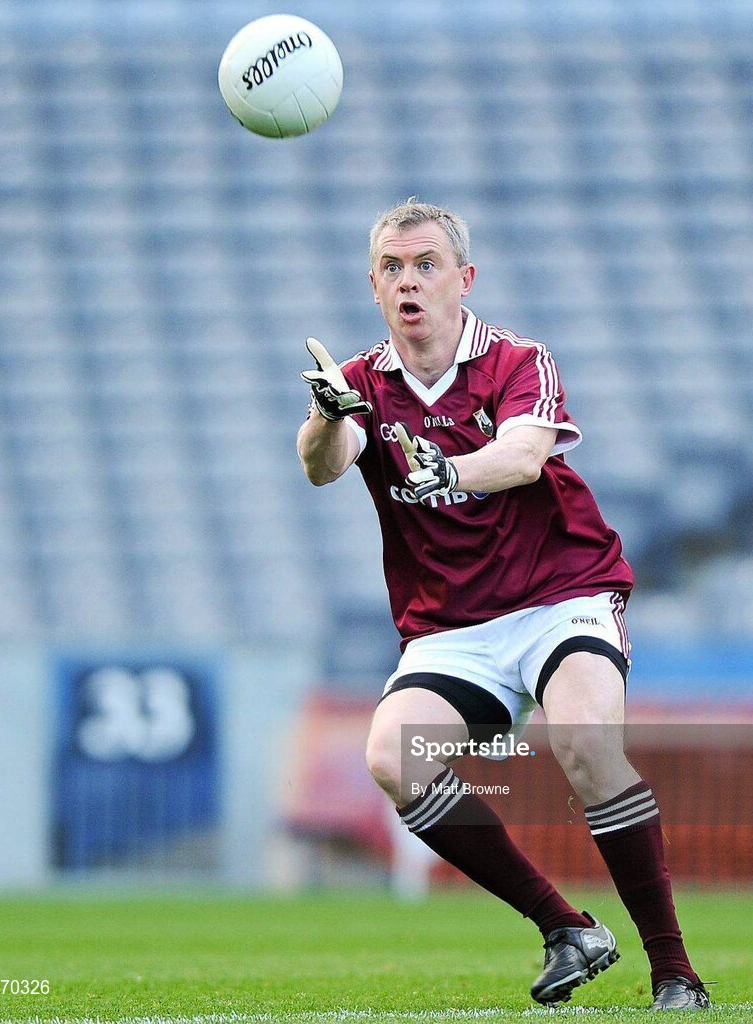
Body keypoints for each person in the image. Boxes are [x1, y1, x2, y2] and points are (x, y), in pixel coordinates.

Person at [296, 199, 709, 1012]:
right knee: (393, 757)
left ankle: (675, 971)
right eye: (391, 267)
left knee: (587, 741)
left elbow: (523, 456)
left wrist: (449, 470)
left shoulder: (518, 359)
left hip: (561, 592)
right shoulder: (358, 382)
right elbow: (324, 462)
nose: (408, 281)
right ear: (373, 285)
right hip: (452, 626)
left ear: (463, 279)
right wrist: (322, 417)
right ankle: (567, 929)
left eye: (425, 265)